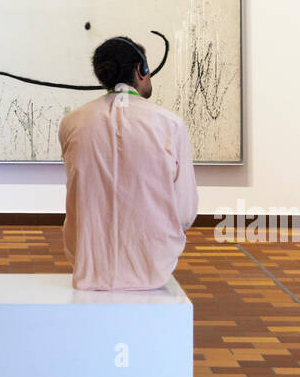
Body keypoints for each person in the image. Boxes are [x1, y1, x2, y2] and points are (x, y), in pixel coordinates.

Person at [57, 36, 198, 291]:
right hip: (153, 268)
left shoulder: (72, 123)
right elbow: (185, 212)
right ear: (141, 70)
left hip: (89, 265)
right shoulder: (170, 124)